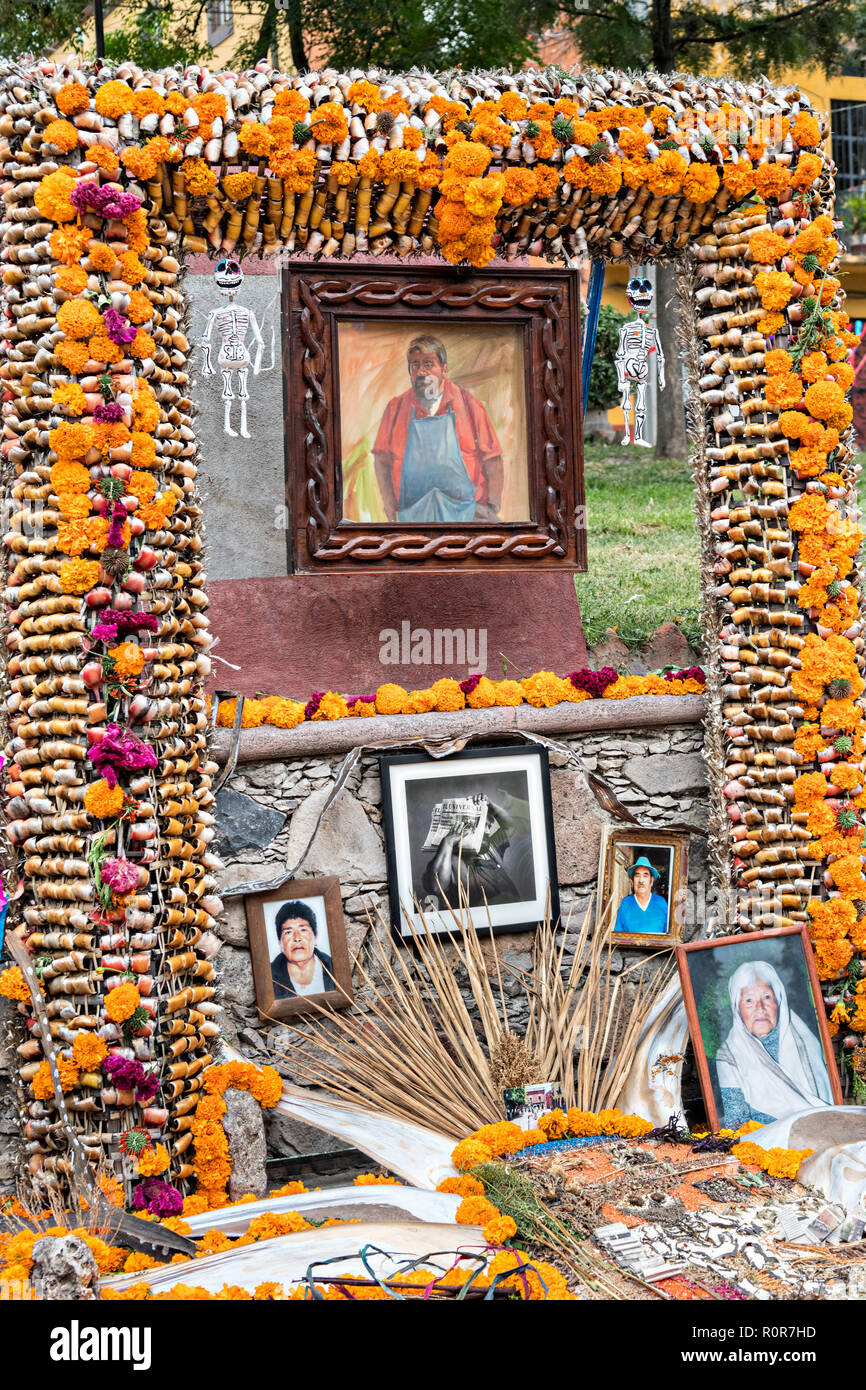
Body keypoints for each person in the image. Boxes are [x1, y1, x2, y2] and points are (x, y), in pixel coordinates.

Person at [372, 334, 504, 524]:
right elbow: (382, 461)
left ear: (444, 370)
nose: (421, 372)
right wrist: (391, 509)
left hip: (465, 516)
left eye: (428, 364)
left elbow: (493, 459)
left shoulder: (469, 405)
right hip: (412, 518)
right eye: (415, 365)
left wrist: (492, 508)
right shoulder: (396, 408)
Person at [715, 960, 835, 1128]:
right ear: (737, 1008)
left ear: (779, 1000)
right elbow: (736, 1123)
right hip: (766, 1144)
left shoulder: (806, 1041)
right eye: (749, 1000)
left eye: (766, 997)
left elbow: (829, 1106)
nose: (760, 1007)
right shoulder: (728, 1055)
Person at [269, 900, 334, 999]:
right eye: (288, 932)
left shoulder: (334, 967)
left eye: (303, 930)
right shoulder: (269, 977)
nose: (297, 938)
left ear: (315, 936)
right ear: (279, 942)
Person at [613, 856, 669, 934]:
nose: (641, 880)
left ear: (651, 881)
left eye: (645, 876)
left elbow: (669, 935)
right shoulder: (625, 903)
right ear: (632, 881)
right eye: (637, 876)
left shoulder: (661, 903)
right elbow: (617, 935)